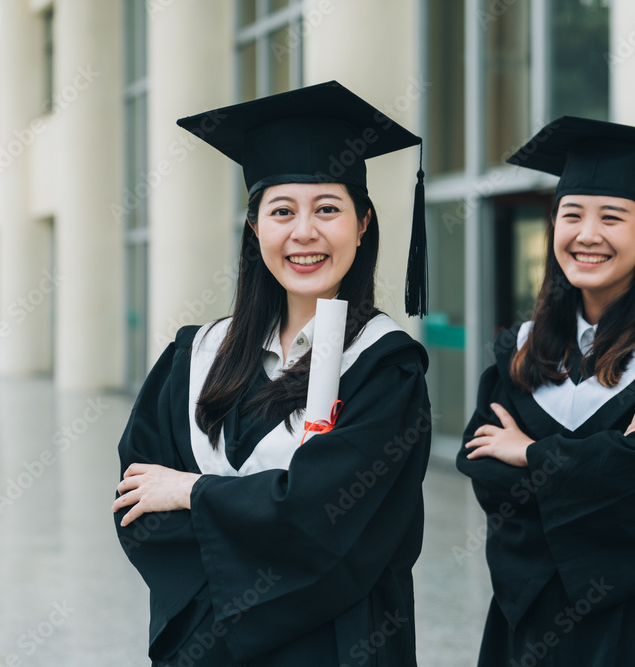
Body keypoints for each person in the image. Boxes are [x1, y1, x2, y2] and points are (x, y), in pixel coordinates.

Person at [112, 81, 432, 666]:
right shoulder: (196, 354)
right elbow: (137, 499)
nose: (303, 233)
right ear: (255, 227)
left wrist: (192, 491)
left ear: (363, 224)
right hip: (203, 645)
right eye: (281, 211)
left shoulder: (385, 368)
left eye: (328, 210)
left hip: (337, 648)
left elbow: (333, 527)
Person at [456, 117, 635, 666]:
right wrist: (610, 457)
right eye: (571, 215)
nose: (587, 234)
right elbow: (487, 471)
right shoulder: (523, 353)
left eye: (611, 217)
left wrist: (531, 453)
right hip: (540, 612)